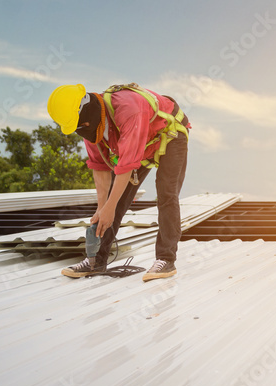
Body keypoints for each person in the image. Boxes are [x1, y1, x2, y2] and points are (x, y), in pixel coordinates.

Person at [47, 83, 190, 281]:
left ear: (87, 110)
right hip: (144, 143)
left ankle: (166, 260)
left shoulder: (129, 110)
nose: (83, 129)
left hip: (170, 133)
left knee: (166, 194)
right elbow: (100, 167)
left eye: (83, 124)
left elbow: (127, 165)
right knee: (111, 204)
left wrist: (109, 207)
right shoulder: (89, 128)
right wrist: (101, 208)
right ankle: (96, 261)